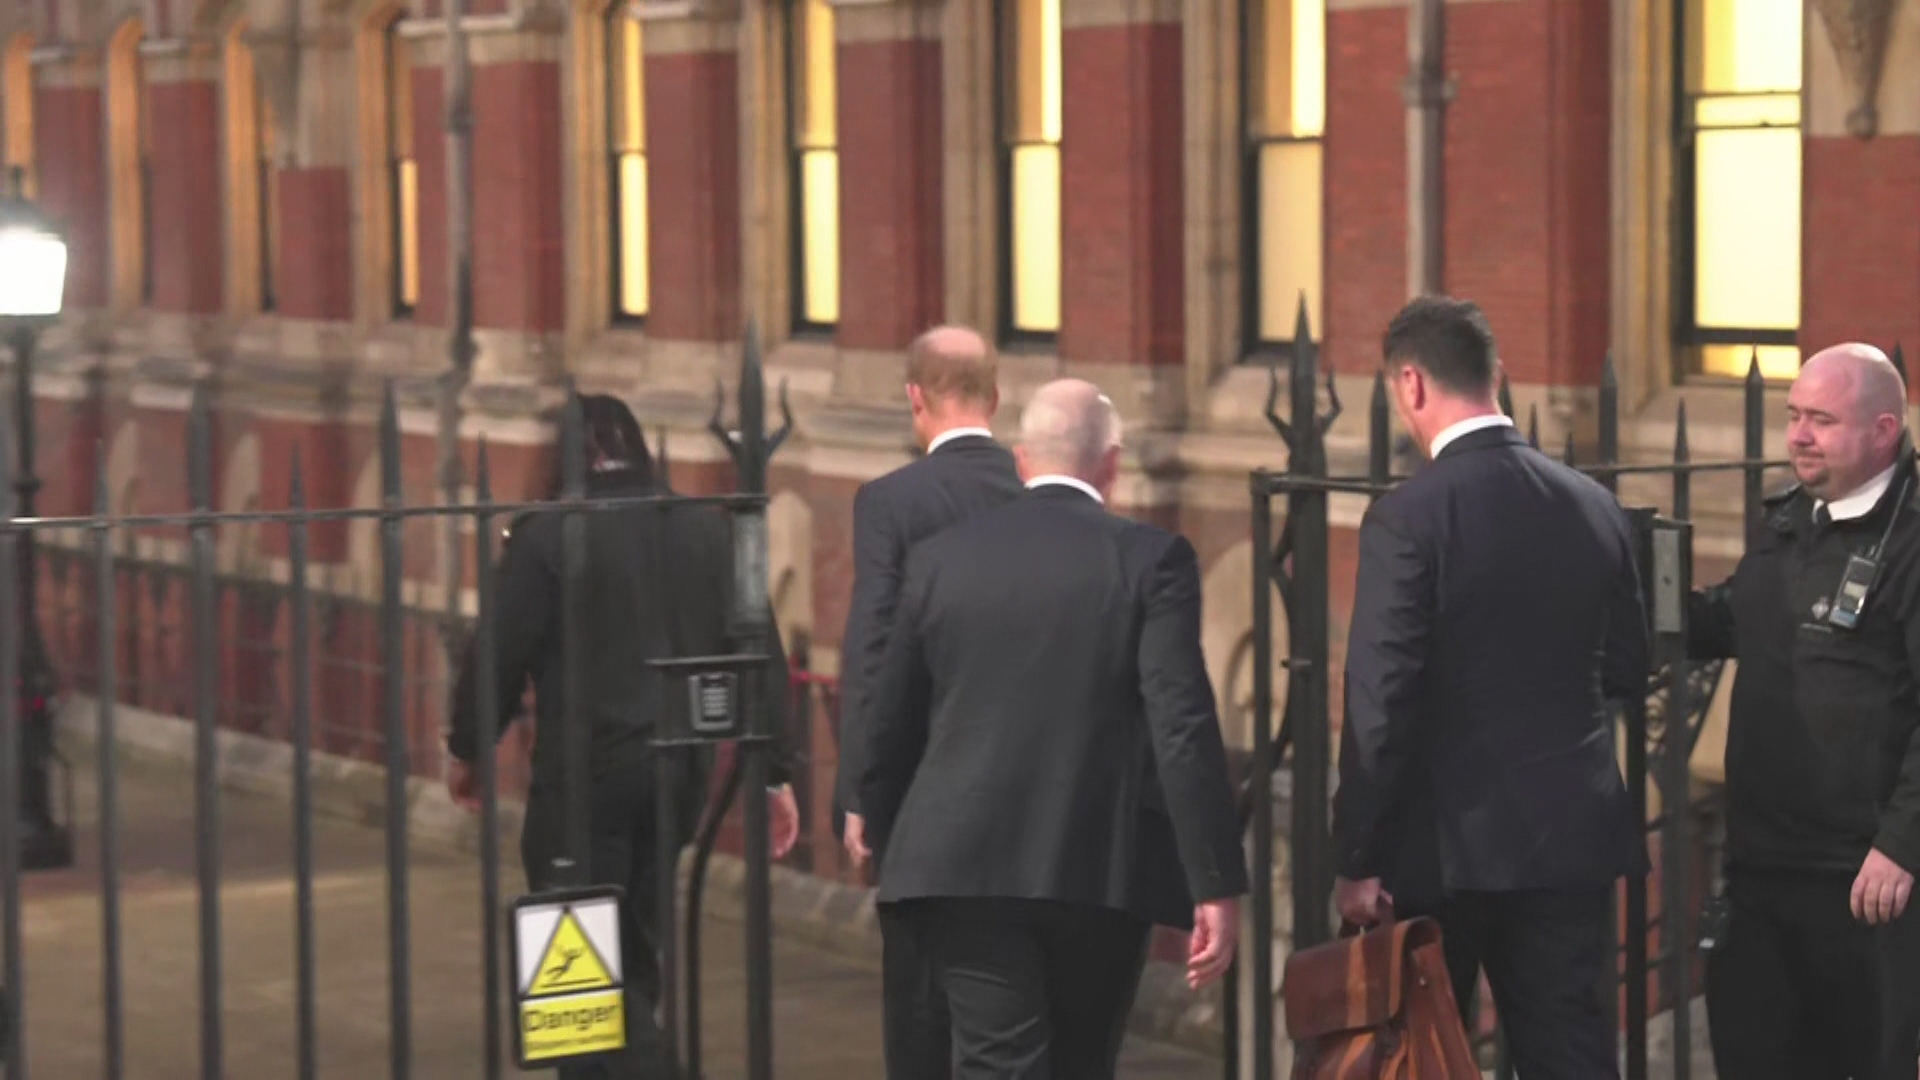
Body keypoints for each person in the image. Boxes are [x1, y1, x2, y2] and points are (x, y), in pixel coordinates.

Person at [855, 378, 1246, 1079]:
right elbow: (1181, 723)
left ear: (1022, 459)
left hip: (962, 864)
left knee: (995, 1062)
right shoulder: (1151, 561)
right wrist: (1213, 879)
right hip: (1098, 866)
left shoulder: (940, 559)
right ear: (1113, 463)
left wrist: (880, 832)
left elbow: (892, 718)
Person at [1332, 296, 1649, 1077]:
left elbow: (1382, 700)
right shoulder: (1594, 505)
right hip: (1570, 837)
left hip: (1443, 848)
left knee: (1424, 1053)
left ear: (1410, 383)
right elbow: (1630, 669)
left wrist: (1358, 855)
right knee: (1571, 1054)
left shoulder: (1409, 518)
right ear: (1497, 377)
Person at [445, 394, 801, 1079]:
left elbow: (497, 653)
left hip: (587, 777)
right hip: (679, 773)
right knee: (636, 945)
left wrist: (469, 748)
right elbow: (762, 651)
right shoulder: (705, 530)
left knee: (572, 971)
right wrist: (776, 773)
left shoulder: (549, 535)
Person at [1687, 342, 1920, 1080]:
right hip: (1760, 870)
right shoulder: (1792, 519)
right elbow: (1737, 619)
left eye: (1821, 419)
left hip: (1865, 885)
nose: (1797, 436)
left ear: (1884, 430)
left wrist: (1901, 844)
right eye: (1793, 416)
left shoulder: (1912, 540)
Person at [832, 325, 1025, 1080]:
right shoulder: (1031, 489)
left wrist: (860, 792)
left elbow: (874, 652)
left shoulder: (890, 502)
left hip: (922, 799)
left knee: (921, 1020)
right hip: (1024, 796)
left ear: (914, 398)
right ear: (996, 396)